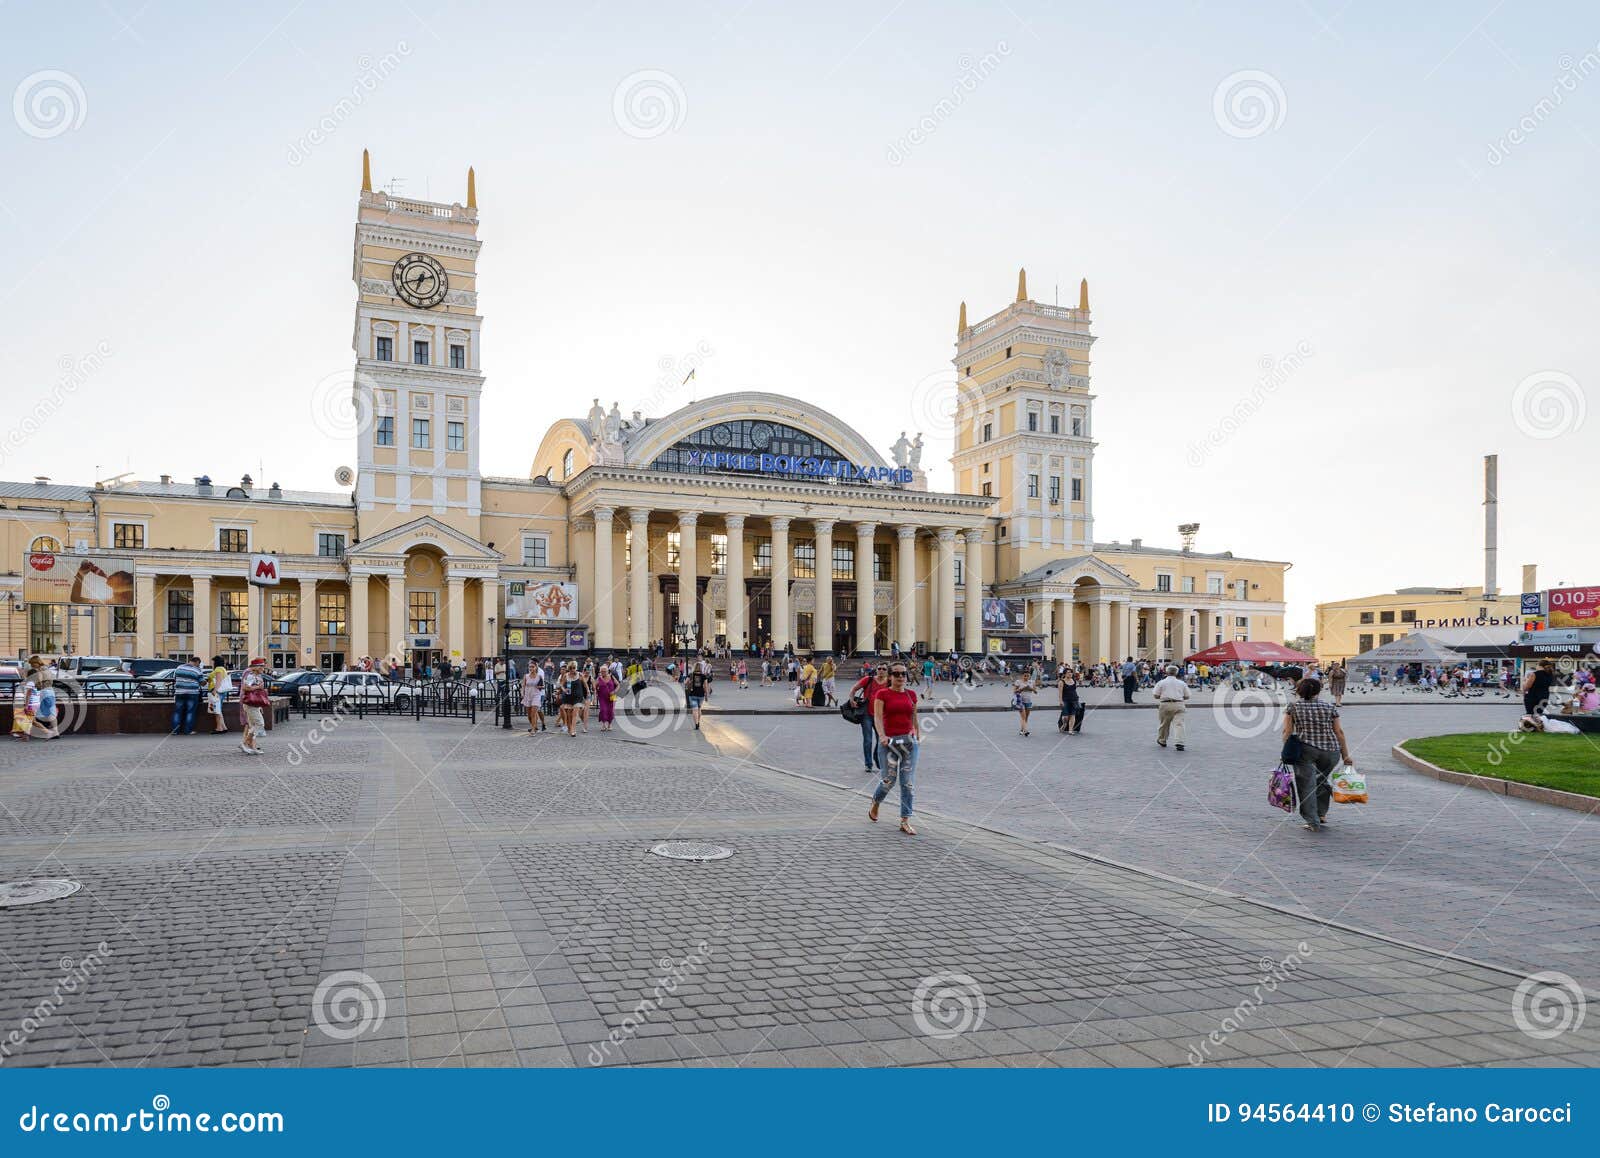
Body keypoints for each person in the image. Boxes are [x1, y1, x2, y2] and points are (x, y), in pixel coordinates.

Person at [1280, 677, 1353, 832]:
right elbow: (1339, 732)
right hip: (1331, 751)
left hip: (1305, 750)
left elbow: (1287, 731)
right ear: (1318, 691)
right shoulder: (1329, 707)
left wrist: (1286, 750)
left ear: (1299, 691)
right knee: (1322, 780)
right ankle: (1321, 814)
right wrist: (1346, 755)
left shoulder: (1293, 707)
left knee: (1306, 785)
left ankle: (1312, 821)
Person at [868, 663, 921, 836]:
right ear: (890, 676)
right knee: (888, 780)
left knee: (907, 782)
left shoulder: (911, 694)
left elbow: (914, 718)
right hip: (888, 743)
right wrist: (882, 736)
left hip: (908, 743)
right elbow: (877, 717)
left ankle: (905, 820)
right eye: (896, 674)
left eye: (903, 674)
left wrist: (917, 734)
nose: (900, 677)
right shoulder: (882, 694)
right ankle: (876, 802)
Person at [848, 664, 889, 774]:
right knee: (868, 740)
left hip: (880, 716)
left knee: (880, 740)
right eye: (879, 668)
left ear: (887, 671)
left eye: (884, 669)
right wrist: (852, 700)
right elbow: (853, 689)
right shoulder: (868, 679)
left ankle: (877, 758)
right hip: (866, 714)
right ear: (876, 670)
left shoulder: (889, 682)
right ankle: (868, 764)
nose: (881, 670)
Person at [1153, 664, 1189, 751]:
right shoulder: (1182, 683)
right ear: (1176, 673)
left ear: (1166, 672)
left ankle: (1162, 740)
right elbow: (1187, 696)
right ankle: (1179, 742)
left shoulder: (1161, 682)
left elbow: (1156, 695)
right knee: (1179, 724)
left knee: (1164, 723)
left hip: (1165, 704)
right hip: (1179, 704)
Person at [238, 658, 271, 755]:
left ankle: (250, 745)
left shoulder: (257, 676)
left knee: (252, 725)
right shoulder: (251, 675)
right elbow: (245, 688)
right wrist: (258, 687)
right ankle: (245, 743)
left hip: (254, 703)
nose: (263, 668)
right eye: (261, 666)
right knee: (260, 723)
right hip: (250, 703)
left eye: (263, 666)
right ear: (256, 667)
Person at [171, 656, 203, 735]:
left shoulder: (179, 667)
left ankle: (175, 731)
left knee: (177, 712)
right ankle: (188, 731)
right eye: (198, 664)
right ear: (196, 662)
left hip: (179, 693)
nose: (198, 666)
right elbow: (202, 682)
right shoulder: (197, 670)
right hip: (192, 693)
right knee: (190, 712)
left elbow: (175, 678)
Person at [1522, 660, 1557, 730]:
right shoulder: (1550, 674)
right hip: (1544, 696)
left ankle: (1531, 728)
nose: (1536, 666)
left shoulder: (1534, 674)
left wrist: (1525, 680)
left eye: (1537, 664)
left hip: (1532, 696)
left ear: (1540, 666)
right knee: (1538, 714)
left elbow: (1526, 687)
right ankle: (1538, 728)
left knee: (1530, 714)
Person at [205, 657, 231, 734]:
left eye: (213, 662)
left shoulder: (218, 669)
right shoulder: (222, 669)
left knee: (216, 710)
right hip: (220, 691)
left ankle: (219, 728)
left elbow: (218, 681)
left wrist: (214, 690)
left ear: (216, 662)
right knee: (218, 710)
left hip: (216, 691)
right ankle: (223, 727)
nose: (213, 663)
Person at [1057, 663, 1084, 735]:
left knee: (1072, 715)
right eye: (1068, 672)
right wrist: (1060, 701)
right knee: (1065, 717)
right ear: (1064, 674)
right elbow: (1060, 693)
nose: (1070, 674)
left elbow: (1074, 690)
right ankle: (1064, 724)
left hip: (1074, 700)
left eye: (1071, 672)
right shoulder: (1061, 682)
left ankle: (1070, 730)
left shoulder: (1074, 681)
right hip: (1065, 700)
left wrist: (1077, 699)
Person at [685, 660, 710, 730]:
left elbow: (685, 683)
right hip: (701, 694)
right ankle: (698, 722)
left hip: (692, 694)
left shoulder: (691, 674)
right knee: (699, 709)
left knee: (694, 710)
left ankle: (696, 724)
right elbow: (705, 686)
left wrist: (690, 682)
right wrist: (706, 696)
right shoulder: (703, 676)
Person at [521, 663, 546, 733]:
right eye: (530, 667)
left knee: (533, 713)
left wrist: (540, 687)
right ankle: (534, 726)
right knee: (529, 715)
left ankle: (533, 729)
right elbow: (523, 686)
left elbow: (543, 686)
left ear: (536, 667)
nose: (531, 668)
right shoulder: (526, 676)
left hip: (536, 695)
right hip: (528, 695)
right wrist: (522, 693)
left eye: (532, 667)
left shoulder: (539, 676)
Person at [1012, 670, 1037, 736]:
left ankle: (1022, 729)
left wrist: (1031, 688)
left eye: (1028, 676)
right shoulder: (1018, 682)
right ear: (1022, 676)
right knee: (1023, 716)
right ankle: (1026, 731)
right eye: (1025, 676)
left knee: (1026, 717)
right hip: (1020, 701)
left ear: (1030, 676)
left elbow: (1035, 691)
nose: (1026, 677)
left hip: (1028, 701)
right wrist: (1022, 689)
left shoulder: (1032, 682)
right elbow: (1014, 691)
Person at [595, 664, 619, 732]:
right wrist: (596, 691)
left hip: (612, 696)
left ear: (607, 671)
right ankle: (603, 724)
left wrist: (614, 691)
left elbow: (618, 685)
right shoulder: (599, 678)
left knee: (610, 711)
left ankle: (609, 724)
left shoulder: (611, 677)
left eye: (604, 671)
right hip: (602, 697)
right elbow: (595, 686)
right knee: (603, 710)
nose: (603, 673)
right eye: (602, 671)